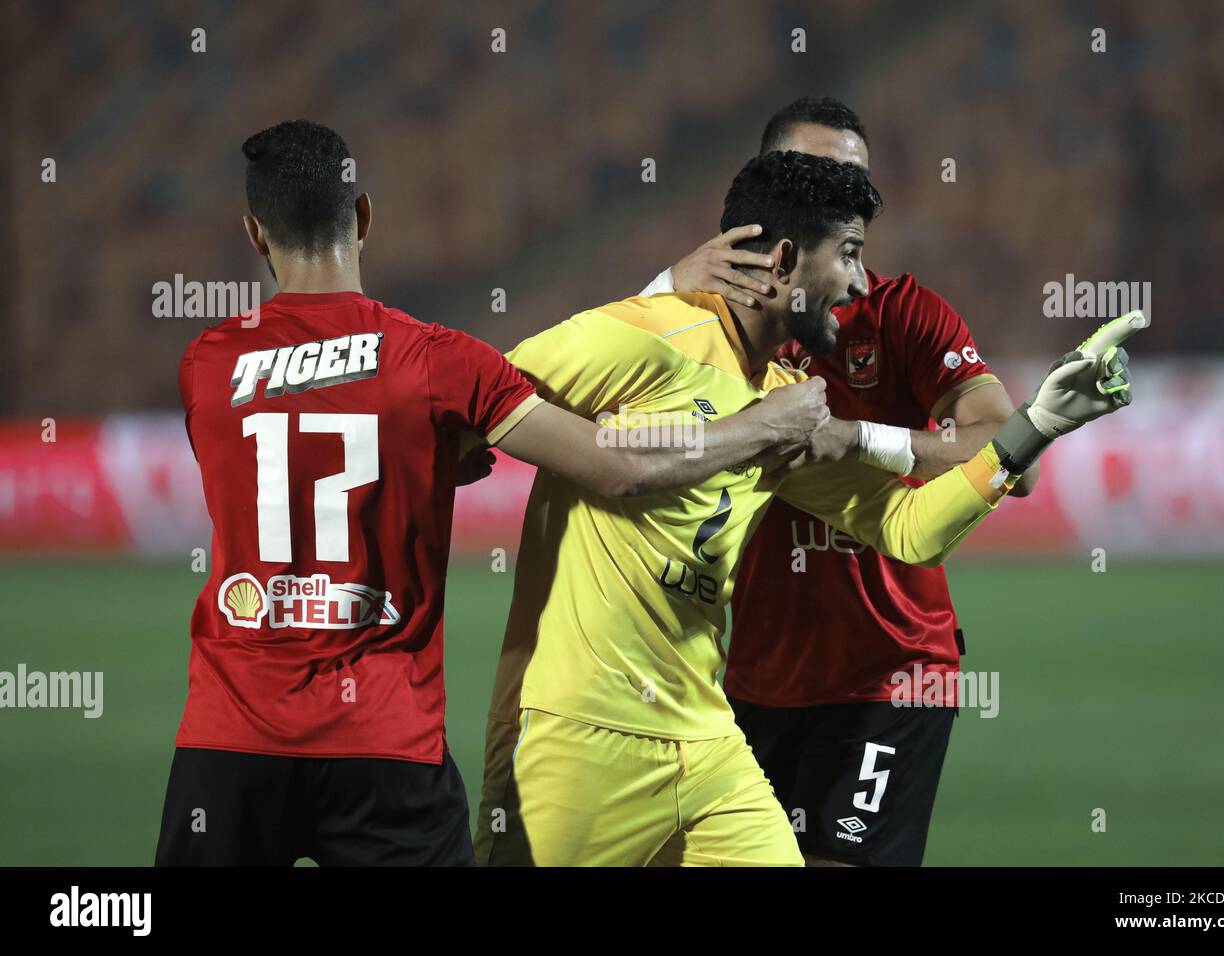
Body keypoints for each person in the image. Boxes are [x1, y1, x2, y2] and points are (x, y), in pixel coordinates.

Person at [154, 120, 829, 867]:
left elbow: (312, 443)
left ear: (255, 233)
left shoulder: (205, 366)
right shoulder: (438, 362)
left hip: (232, 738)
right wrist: (758, 420)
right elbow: (617, 467)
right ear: (365, 216)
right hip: (385, 747)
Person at [473, 149, 1135, 866]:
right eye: (848, 254)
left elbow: (904, 529)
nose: (857, 281)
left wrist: (1034, 426)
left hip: (707, 747)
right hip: (579, 735)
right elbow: (479, 402)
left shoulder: (785, 400)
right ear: (784, 259)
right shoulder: (644, 337)